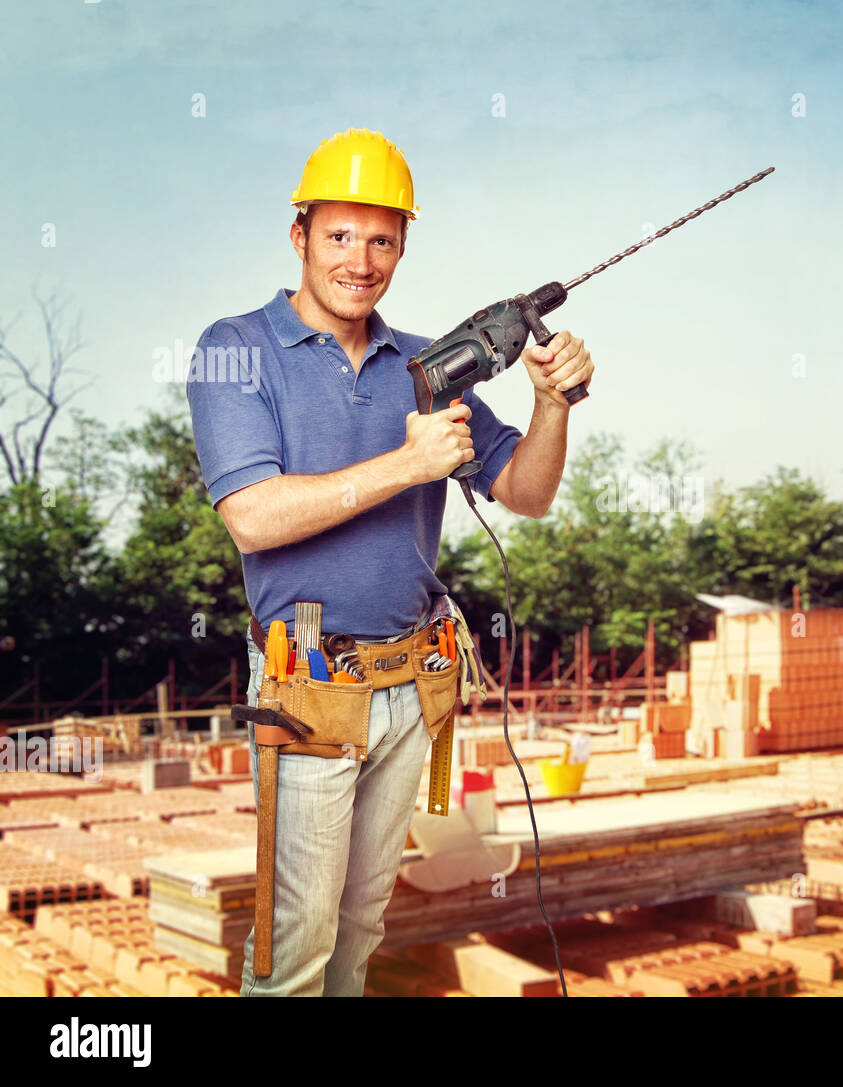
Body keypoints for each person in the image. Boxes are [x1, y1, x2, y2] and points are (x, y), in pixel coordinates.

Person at [185, 128, 594, 996]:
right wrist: (408, 464)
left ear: (402, 246)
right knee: (295, 941)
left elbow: (525, 491)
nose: (360, 260)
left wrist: (551, 403)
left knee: (362, 927)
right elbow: (253, 517)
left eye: (382, 240)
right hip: (310, 685)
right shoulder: (236, 350)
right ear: (299, 237)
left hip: (412, 682)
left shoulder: (426, 366)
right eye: (339, 235)